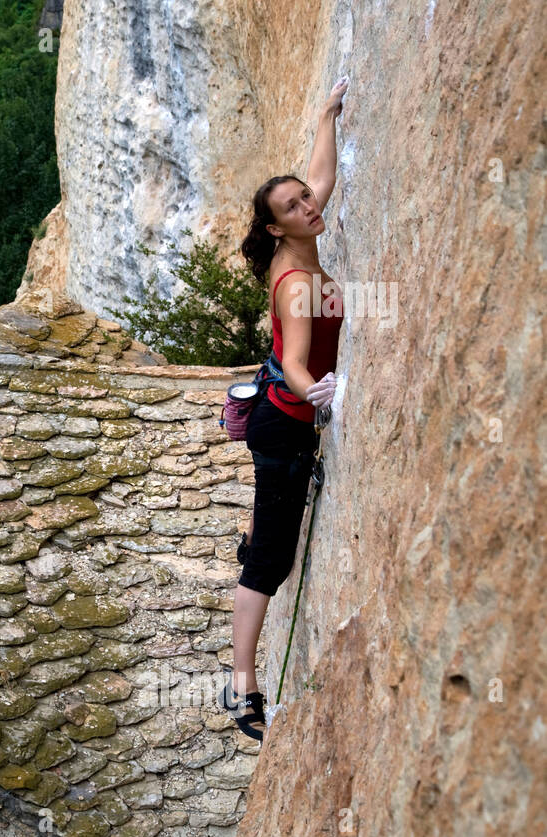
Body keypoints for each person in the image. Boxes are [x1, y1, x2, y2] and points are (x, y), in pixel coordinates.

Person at [223, 77, 349, 742]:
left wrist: (326, 112)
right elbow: (298, 359)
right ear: (277, 227)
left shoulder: (295, 236)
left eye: (305, 198)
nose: (309, 206)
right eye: (296, 206)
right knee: (270, 563)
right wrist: (318, 391)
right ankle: (241, 688)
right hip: (284, 419)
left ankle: (255, 526)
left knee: (267, 530)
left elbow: (322, 176)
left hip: (277, 412)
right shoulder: (296, 280)